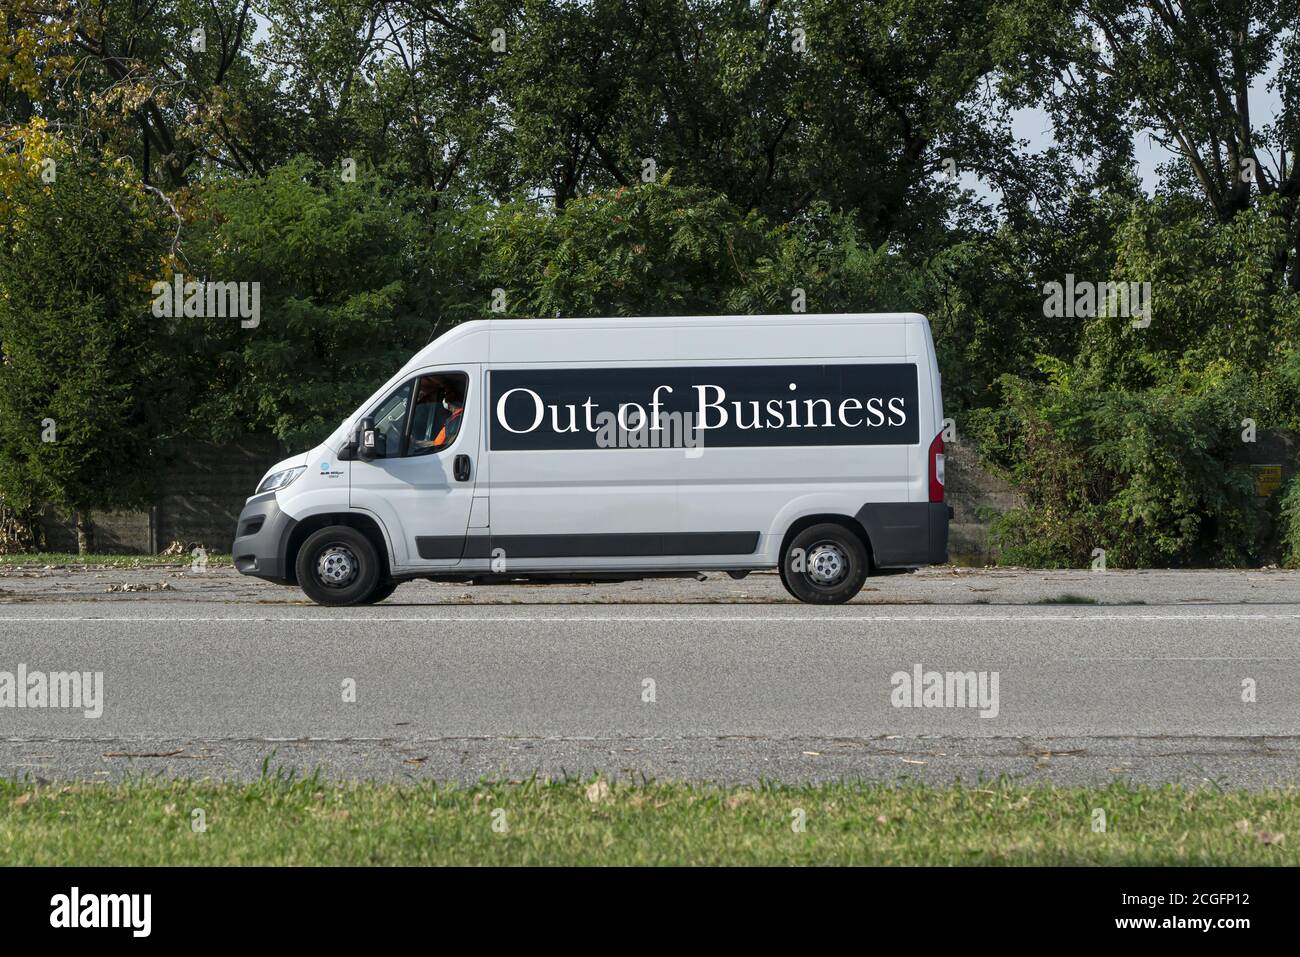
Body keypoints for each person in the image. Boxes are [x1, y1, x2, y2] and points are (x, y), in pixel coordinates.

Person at [408, 376, 464, 454]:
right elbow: (437, 443)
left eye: (447, 394)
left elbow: (445, 446)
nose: (445, 398)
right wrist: (416, 443)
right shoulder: (453, 418)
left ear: (453, 397)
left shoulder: (458, 420)